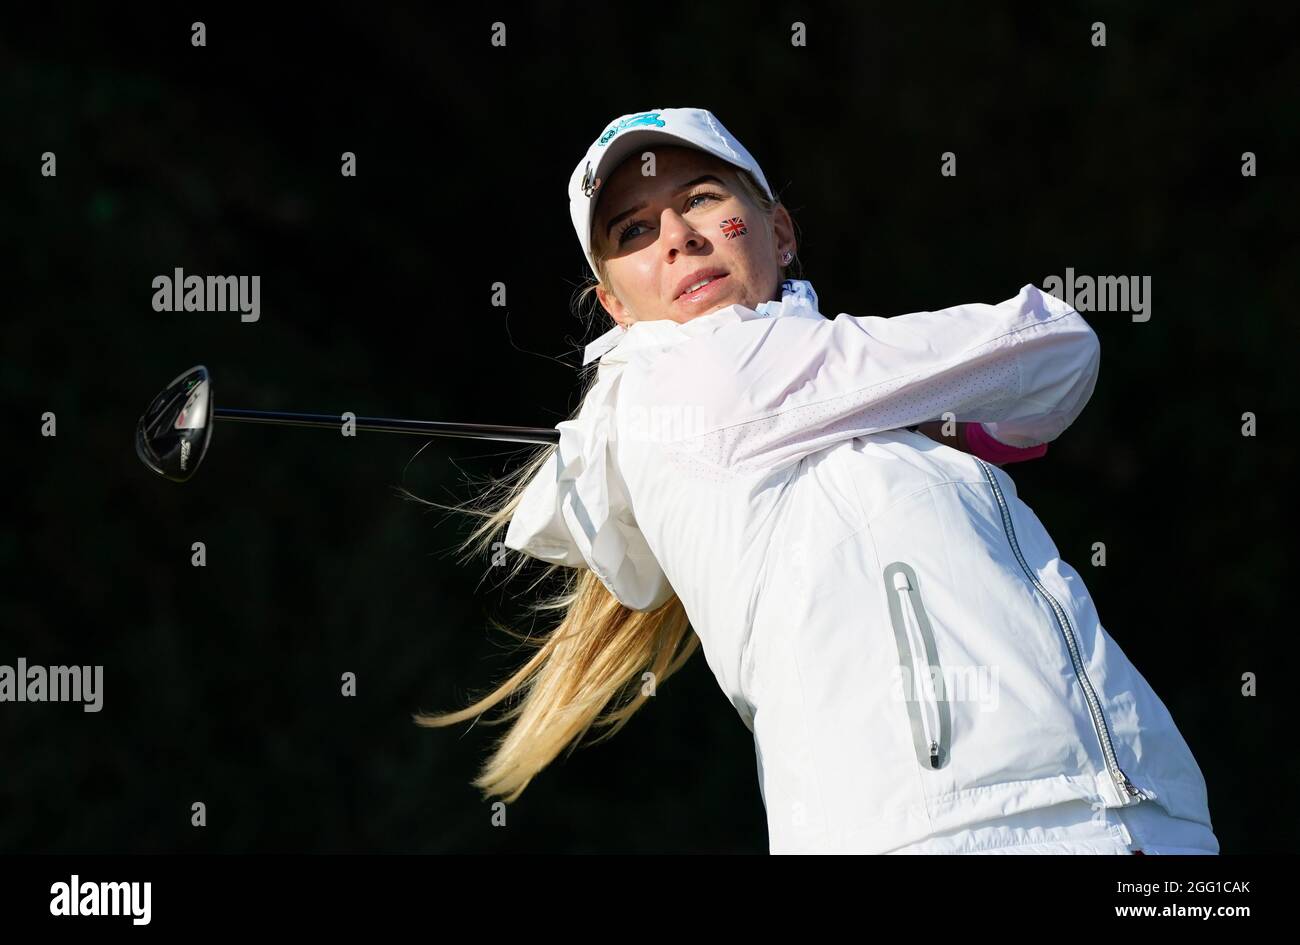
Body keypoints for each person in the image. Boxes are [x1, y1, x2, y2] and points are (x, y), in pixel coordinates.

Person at [415, 107, 1219, 855]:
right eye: (634, 229)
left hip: (1136, 813)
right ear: (614, 306)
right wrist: (957, 414)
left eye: (699, 198)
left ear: (781, 230)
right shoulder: (691, 382)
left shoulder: (832, 393)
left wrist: (928, 417)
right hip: (963, 831)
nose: (677, 237)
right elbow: (1050, 336)